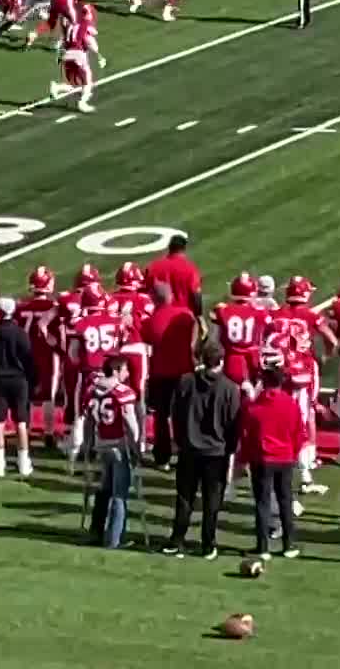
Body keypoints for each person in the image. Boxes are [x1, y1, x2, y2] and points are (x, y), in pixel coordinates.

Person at [164, 343, 240, 559]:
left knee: (184, 498)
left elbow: (175, 414)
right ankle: (208, 544)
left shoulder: (185, 382)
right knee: (212, 501)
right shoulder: (229, 388)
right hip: (216, 453)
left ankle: (177, 539)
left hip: (189, 449)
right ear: (222, 362)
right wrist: (230, 449)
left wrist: (178, 440)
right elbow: (233, 424)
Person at [241, 359, 302, 559]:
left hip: (262, 459)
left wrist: (246, 457)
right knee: (285, 501)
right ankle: (289, 545)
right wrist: (293, 453)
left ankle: (263, 546)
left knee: (262, 503)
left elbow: (247, 435)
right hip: (285, 458)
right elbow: (298, 433)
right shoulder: (290, 404)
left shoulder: (255, 407)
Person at [86, 357, 141, 548]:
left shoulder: (93, 390)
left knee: (104, 490)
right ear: (116, 371)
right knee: (119, 493)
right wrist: (136, 444)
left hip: (102, 444)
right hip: (119, 446)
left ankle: (96, 531)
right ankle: (114, 539)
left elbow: (89, 421)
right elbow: (129, 420)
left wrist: (89, 444)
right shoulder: (122, 392)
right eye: (124, 370)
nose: (127, 374)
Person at [139, 286, 196, 468]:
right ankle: (184, 453)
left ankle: (162, 456)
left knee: (161, 417)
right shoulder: (185, 314)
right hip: (184, 372)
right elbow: (196, 334)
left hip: (160, 373)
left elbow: (146, 339)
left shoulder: (152, 320)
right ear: (171, 296)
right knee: (184, 415)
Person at [0, 294, 37, 478]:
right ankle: (23, 462)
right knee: (21, 422)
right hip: (19, 381)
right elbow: (29, 359)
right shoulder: (20, 333)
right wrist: (32, 380)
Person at [145, 234, 203, 319]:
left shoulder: (153, 267)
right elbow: (196, 295)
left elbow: (146, 292)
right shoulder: (190, 269)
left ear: (169, 247)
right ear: (184, 248)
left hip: (159, 317)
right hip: (182, 318)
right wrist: (199, 316)